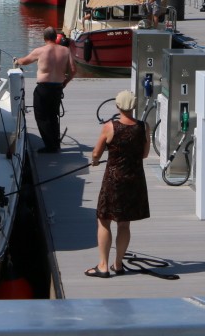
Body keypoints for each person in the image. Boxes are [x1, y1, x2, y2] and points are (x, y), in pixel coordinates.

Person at [87, 89, 150, 277]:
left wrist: (96, 160)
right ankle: (119, 264)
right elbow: (145, 154)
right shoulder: (143, 126)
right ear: (134, 106)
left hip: (114, 180)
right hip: (134, 179)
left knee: (104, 220)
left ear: (117, 106)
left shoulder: (110, 127)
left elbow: (96, 153)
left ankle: (103, 265)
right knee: (124, 224)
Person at [13, 26, 76, 153]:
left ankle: (50, 145)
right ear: (55, 37)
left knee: (41, 116)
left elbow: (24, 61)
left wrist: (16, 60)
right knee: (53, 116)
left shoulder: (40, 51)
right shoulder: (66, 51)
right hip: (58, 87)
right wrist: (65, 83)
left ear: (44, 38)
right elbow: (73, 70)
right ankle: (55, 144)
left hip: (43, 88)